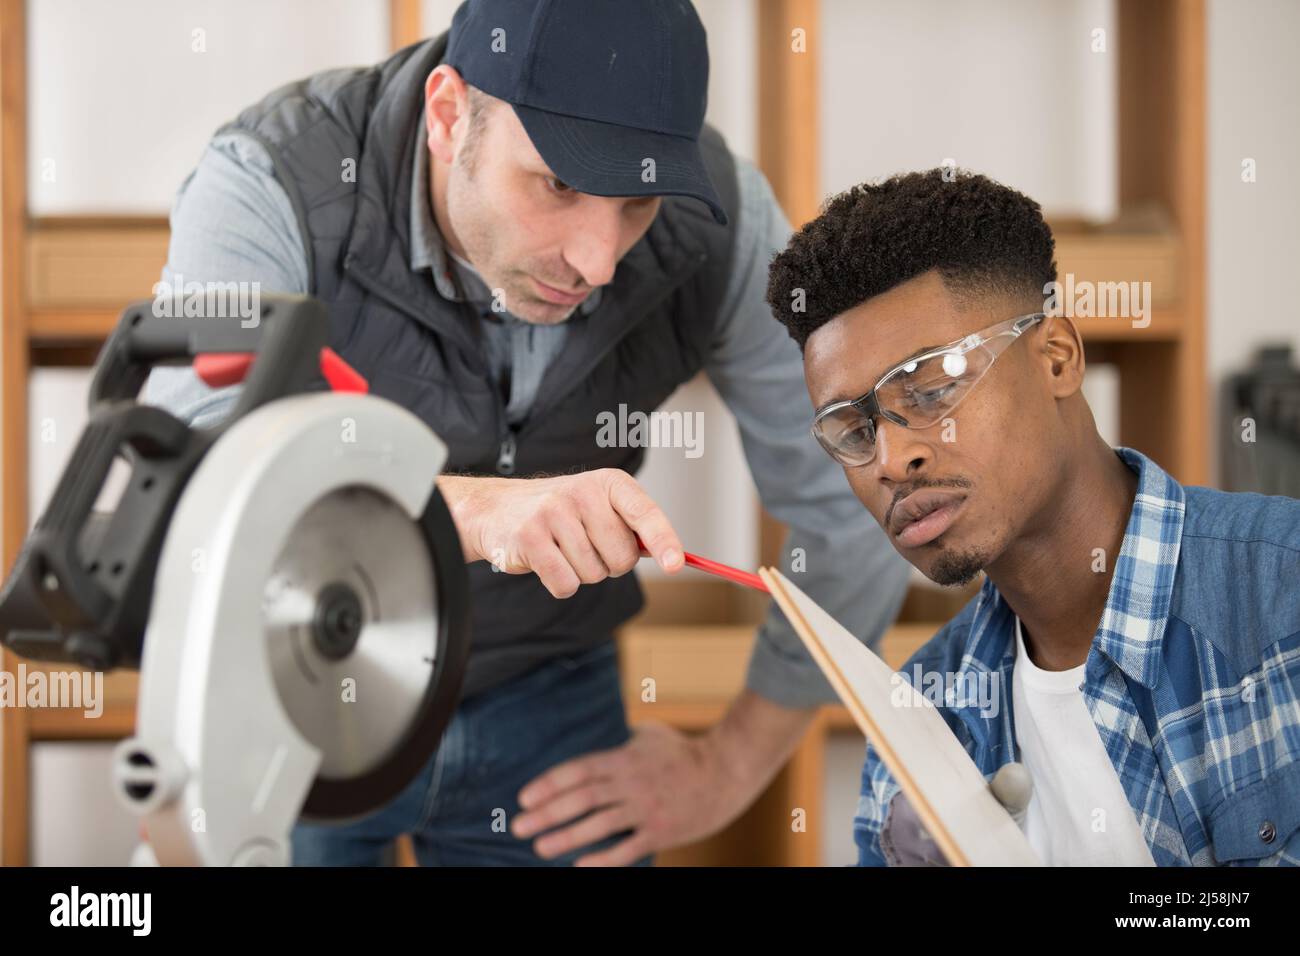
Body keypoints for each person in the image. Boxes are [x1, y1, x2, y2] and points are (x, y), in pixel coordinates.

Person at [143, 0, 910, 865]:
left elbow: (862, 492)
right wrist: (473, 514)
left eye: (638, 204)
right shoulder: (270, 181)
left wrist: (726, 769)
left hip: (548, 704)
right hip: (297, 687)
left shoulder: (723, 221)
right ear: (447, 115)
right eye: (561, 185)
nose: (599, 261)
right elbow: (190, 489)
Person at [765, 168, 1300, 866]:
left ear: (1056, 358)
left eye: (930, 389)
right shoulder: (923, 716)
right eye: (853, 429)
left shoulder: (1283, 603)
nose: (891, 461)